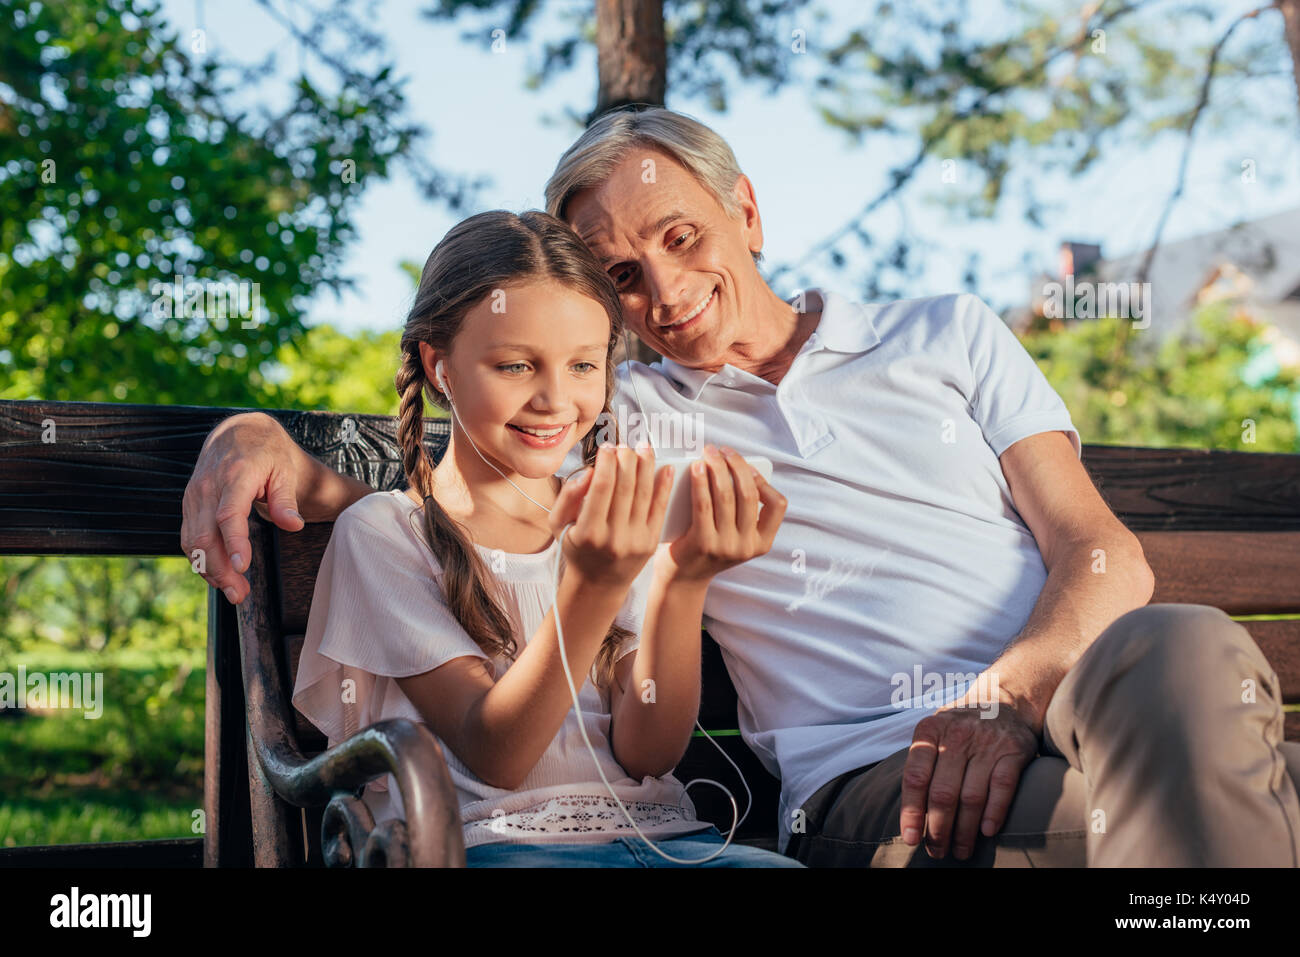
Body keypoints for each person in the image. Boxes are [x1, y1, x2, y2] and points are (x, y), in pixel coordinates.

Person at [184, 107, 1300, 867]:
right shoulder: (630, 416)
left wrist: (1001, 700)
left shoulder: (943, 334)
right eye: (620, 276)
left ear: (748, 215)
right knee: (1213, 808)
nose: (663, 293)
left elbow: (1103, 554)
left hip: (1073, 699)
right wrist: (260, 440)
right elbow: (466, 490)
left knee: (1185, 641)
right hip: (886, 779)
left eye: (682, 236)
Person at [289, 208, 799, 867]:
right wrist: (593, 587)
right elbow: (498, 751)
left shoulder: (605, 516)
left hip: (666, 840)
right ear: (439, 366)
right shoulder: (386, 532)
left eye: (584, 366)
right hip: (494, 845)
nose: (556, 400)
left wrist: (683, 576)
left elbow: (648, 753)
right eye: (516, 366)